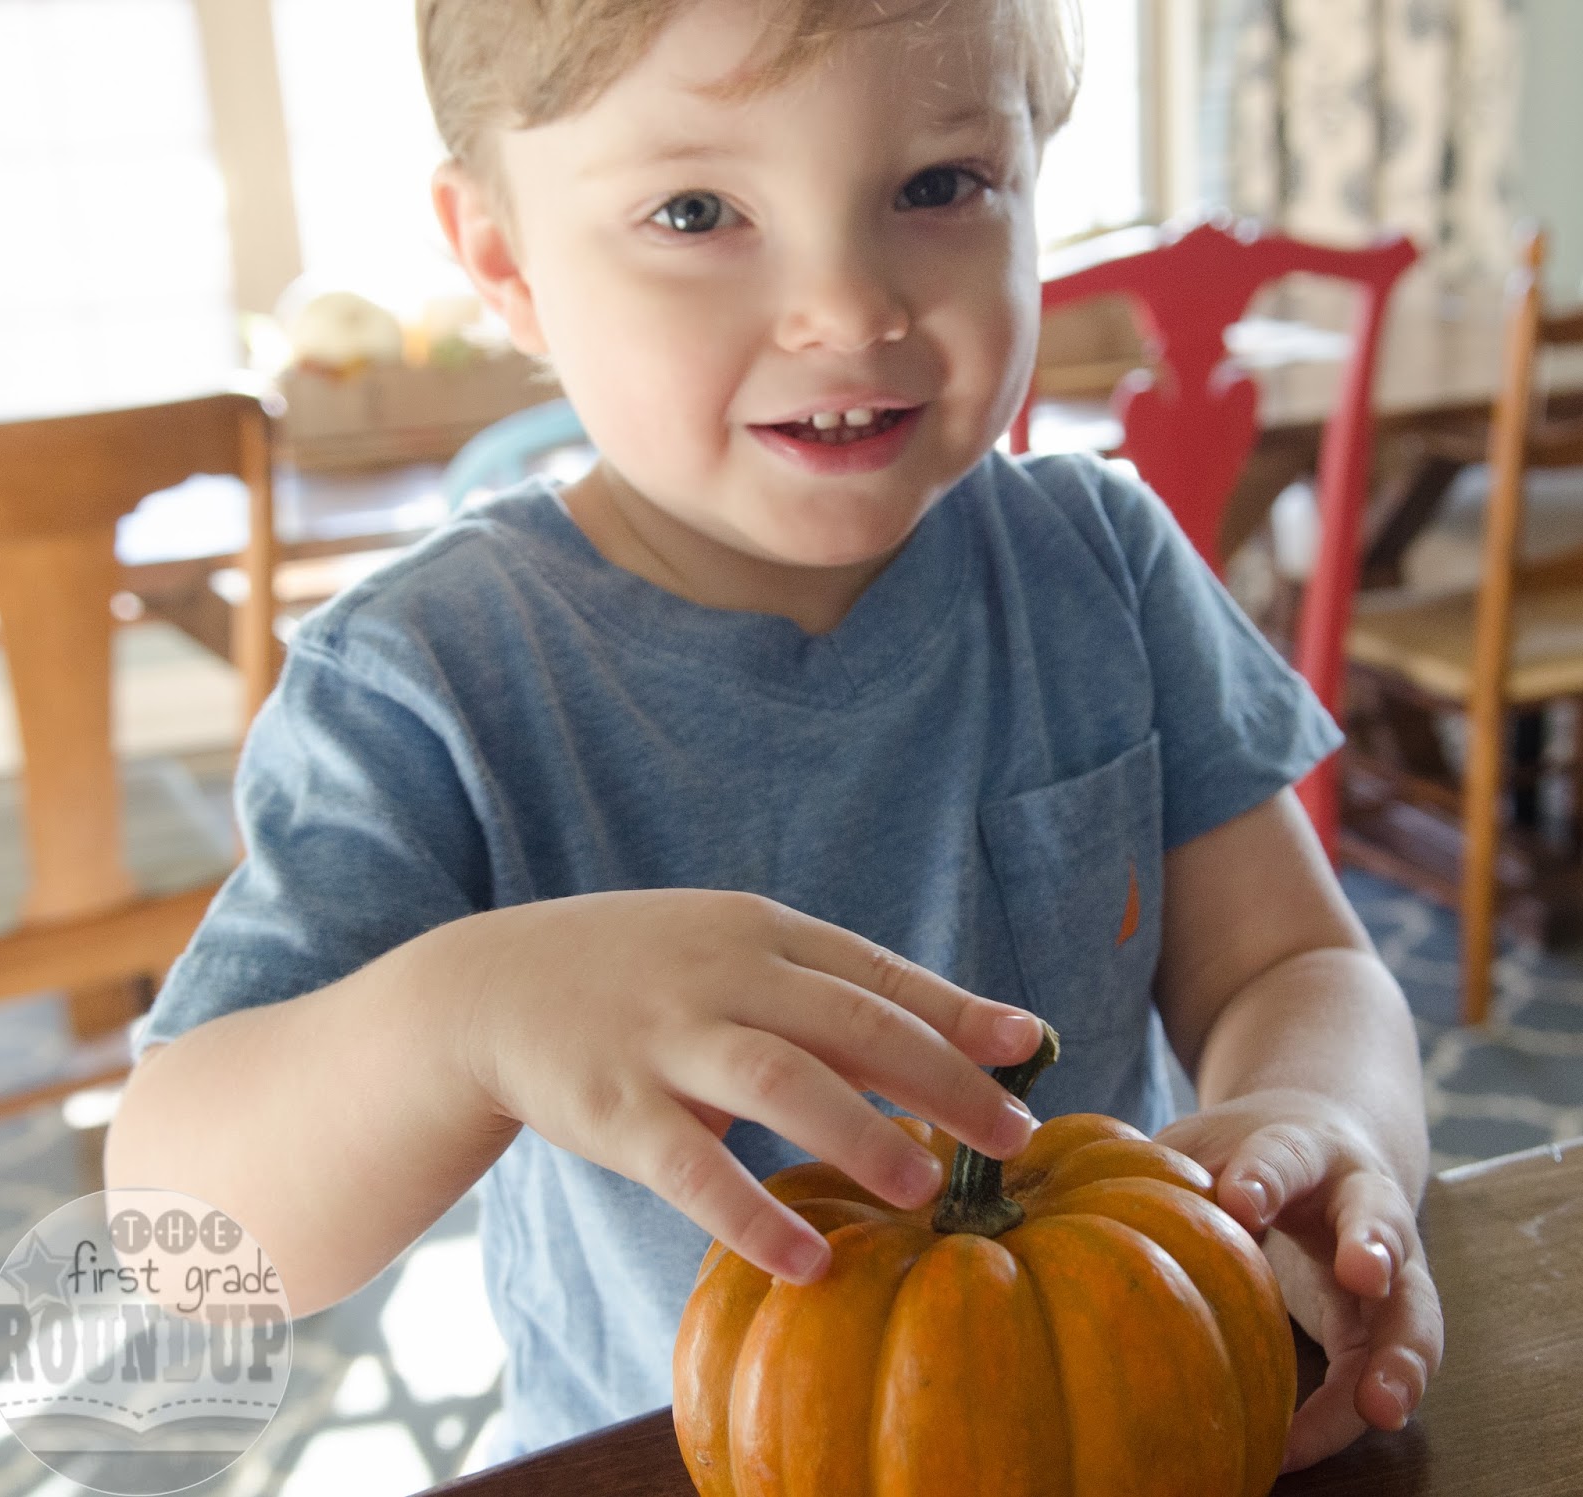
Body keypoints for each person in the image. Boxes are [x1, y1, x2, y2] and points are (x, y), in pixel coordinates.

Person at [106, 0, 1443, 1472]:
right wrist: (464, 1018)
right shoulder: (429, 683)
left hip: (1132, 1431)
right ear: (504, 259)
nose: (852, 307)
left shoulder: (1099, 565)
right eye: (697, 210)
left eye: (940, 186)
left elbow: (1293, 961)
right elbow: (187, 1239)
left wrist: (1318, 1114)